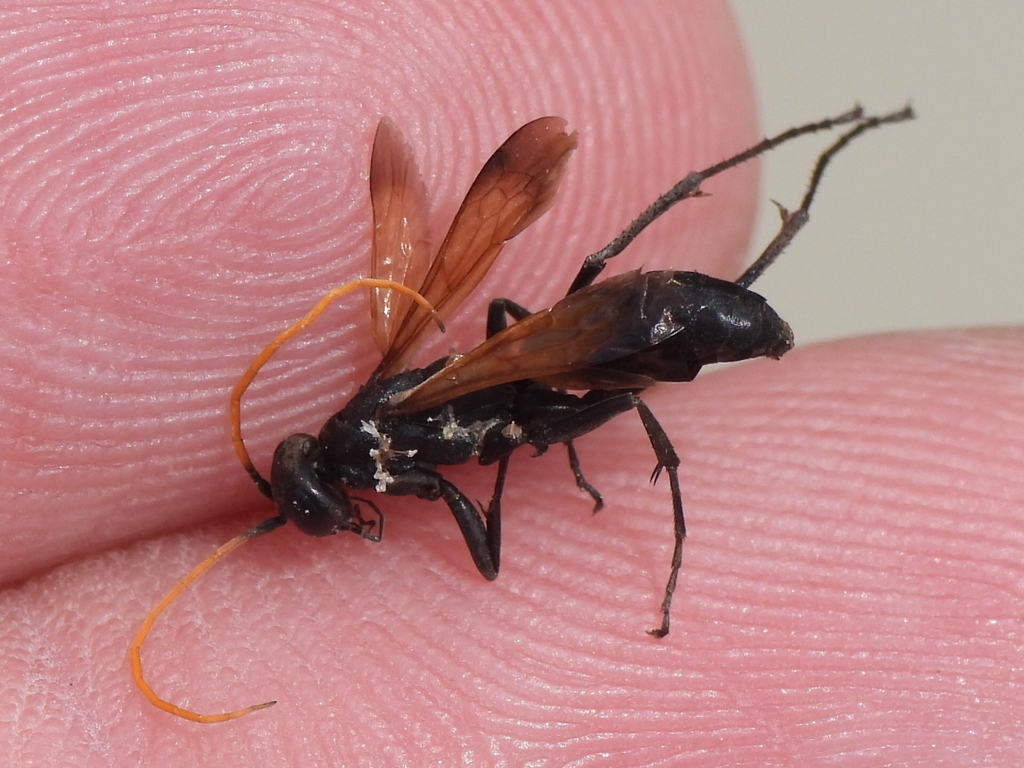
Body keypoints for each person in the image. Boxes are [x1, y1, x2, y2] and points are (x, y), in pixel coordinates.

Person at [2, 1, 1020, 763]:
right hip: (559, 367)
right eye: (315, 506)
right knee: (570, 329)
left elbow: (478, 511)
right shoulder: (385, 417)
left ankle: (812, 155)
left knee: (605, 330)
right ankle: (815, 159)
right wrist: (525, 450)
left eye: (324, 507)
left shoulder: (396, 448)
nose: (339, 515)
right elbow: (481, 440)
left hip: (580, 352)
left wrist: (517, 453)